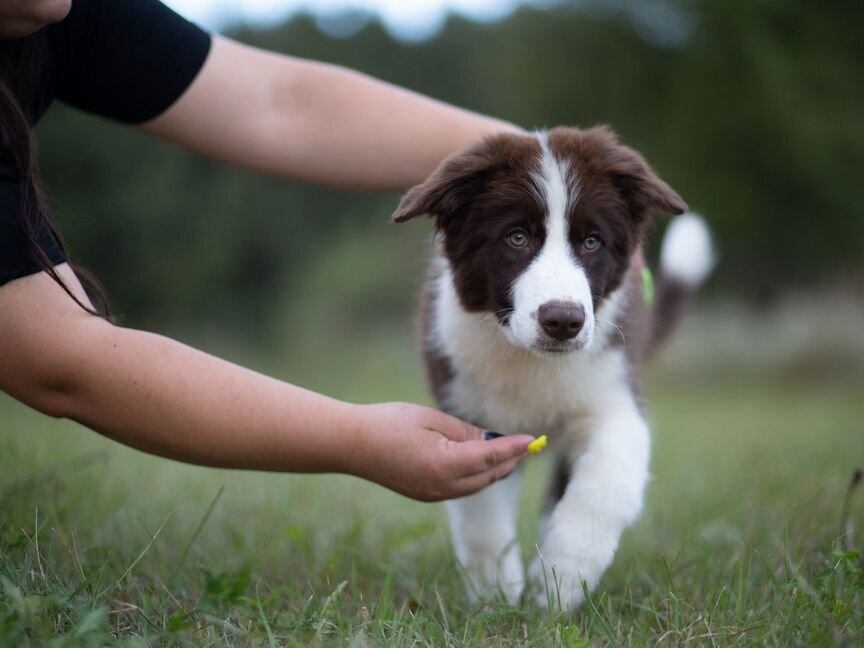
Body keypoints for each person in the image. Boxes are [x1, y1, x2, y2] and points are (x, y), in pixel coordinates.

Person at [0, 0, 534, 502]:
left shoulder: (62, 13)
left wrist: (556, 166)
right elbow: (58, 357)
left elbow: (277, 102)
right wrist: (360, 439)